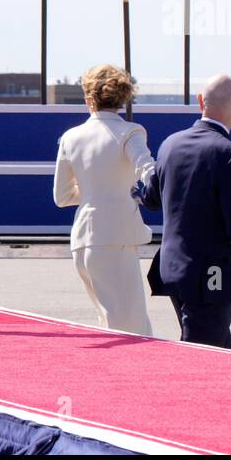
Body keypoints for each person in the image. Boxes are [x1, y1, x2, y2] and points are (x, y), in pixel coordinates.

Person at [139, 74, 231, 349]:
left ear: (200, 101)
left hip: (173, 268)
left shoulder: (170, 144)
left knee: (218, 350)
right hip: (211, 276)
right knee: (204, 355)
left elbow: (152, 199)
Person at [53, 66, 155, 336]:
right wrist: (135, 193)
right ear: (123, 98)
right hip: (116, 239)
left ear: (89, 98)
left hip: (82, 240)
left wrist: (91, 191)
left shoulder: (70, 138)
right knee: (133, 329)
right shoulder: (131, 132)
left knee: (107, 325)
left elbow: (61, 197)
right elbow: (149, 169)